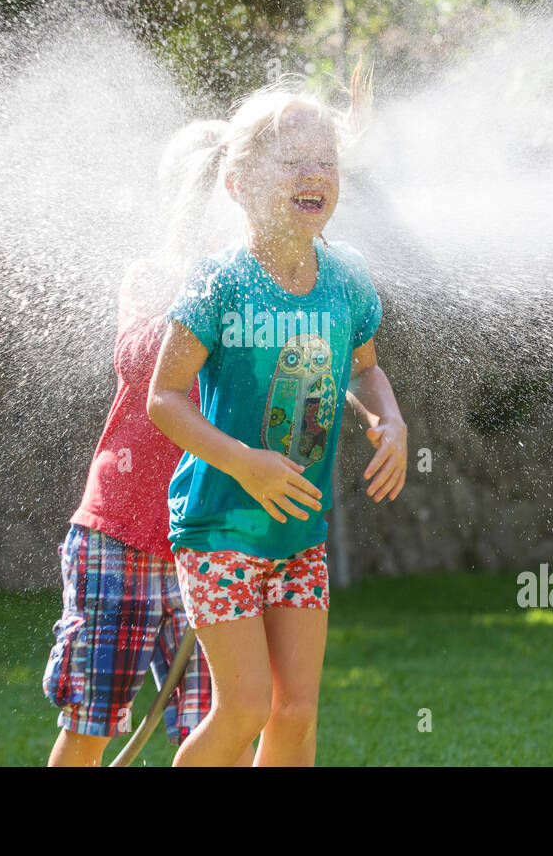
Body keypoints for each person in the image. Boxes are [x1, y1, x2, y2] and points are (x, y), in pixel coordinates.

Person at [146, 73, 408, 767]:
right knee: (248, 707)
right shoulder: (219, 282)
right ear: (238, 183)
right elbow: (163, 398)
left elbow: (363, 369)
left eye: (326, 158)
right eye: (293, 160)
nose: (314, 172)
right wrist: (245, 462)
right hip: (220, 526)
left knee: (295, 713)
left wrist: (392, 421)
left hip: (299, 532)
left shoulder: (347, 277)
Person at [43, 119, 253, 766]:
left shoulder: (255, 293)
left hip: (210, 543)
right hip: (119, 539)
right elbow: (138, 362)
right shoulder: (154, 274)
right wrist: (195, 290)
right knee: (92, 724)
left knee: (227, 727)